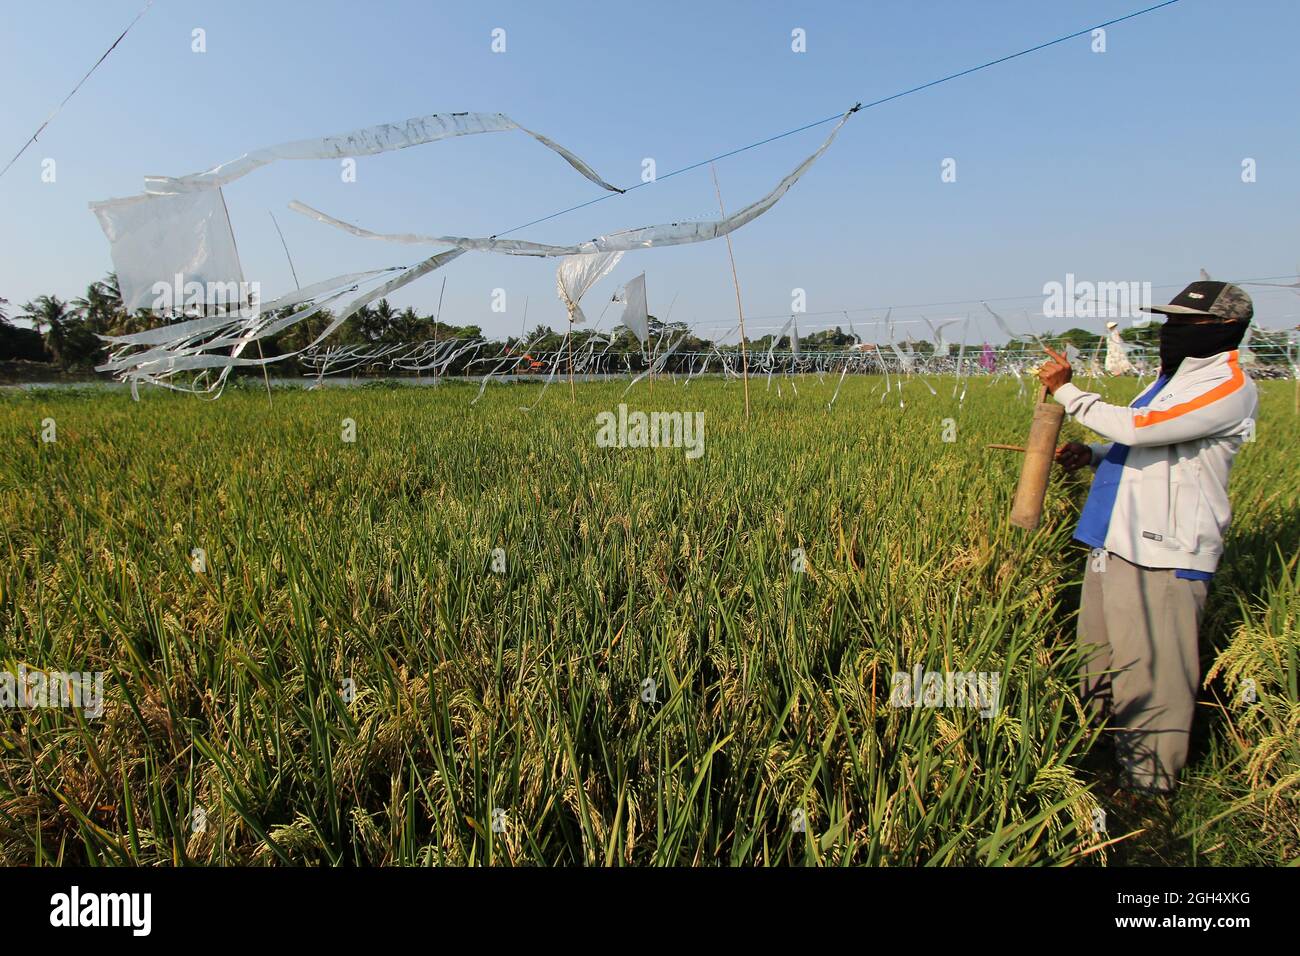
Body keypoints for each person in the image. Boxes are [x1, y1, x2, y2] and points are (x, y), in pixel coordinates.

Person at [1036, 280, 1258, 792]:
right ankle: (1091, 760)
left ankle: (1147, 788)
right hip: (1113, 537)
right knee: (1097, 659)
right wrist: (1089, 454)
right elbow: (1144, 444)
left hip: (1162, 551)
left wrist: (1068, 390)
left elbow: (1138, 429)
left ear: (1225, 328)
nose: (1169, 330)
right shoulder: (1172, 379)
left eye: (1184, 322)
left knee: (1152, 673)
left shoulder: (1227, 385)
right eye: (1169, 320)